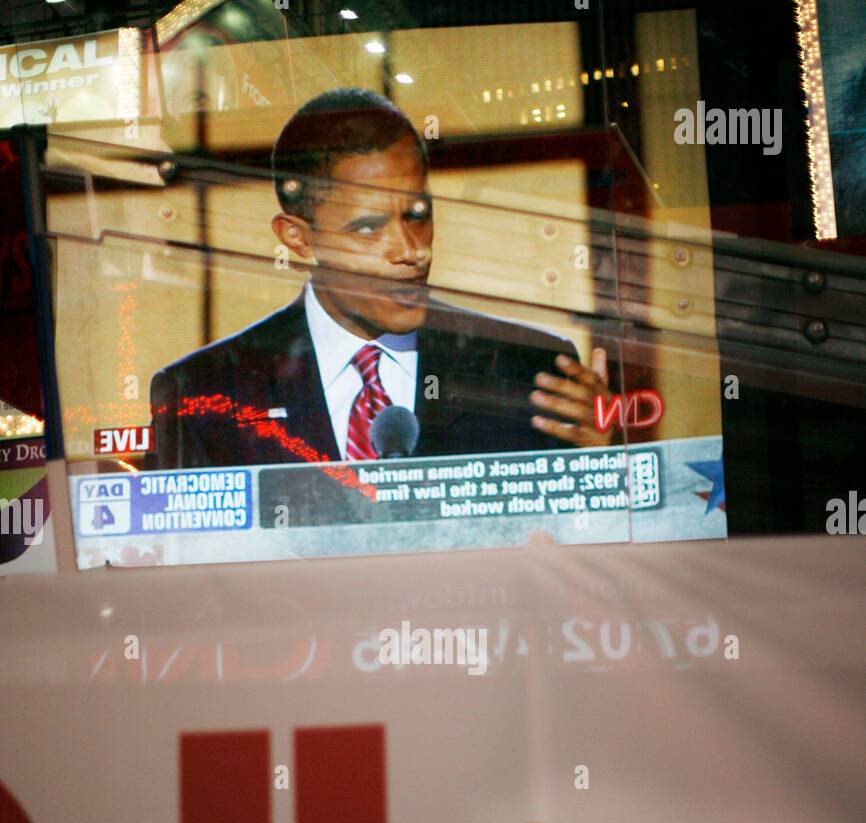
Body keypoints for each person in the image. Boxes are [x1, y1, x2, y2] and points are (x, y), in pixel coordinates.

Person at [149, 88, 611, 512]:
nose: (413, 250)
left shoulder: (529, 370)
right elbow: (192, 580)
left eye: (417, 216)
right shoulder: (202, 393)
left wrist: (601, 476)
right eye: (367, 228)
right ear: (297, 238)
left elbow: (570, 565)